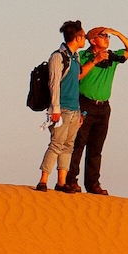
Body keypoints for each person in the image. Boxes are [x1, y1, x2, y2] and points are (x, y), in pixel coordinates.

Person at [65, 26, 128, 196]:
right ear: (92, 40)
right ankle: (70, 181)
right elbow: (77, 76)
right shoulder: (82, 56)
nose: (107, 39)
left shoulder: (112, 56)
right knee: (78, 144)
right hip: (84, 104)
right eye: (103, 36)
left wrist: (118, 33)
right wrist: (95, 60)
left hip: (103, 107)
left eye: (108, 36)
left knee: (96, 148)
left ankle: (93, 183)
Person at [38, 21, 87, 193]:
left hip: (74, 109)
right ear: (77, 37)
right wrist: (55, 109)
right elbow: (54, 84)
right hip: (62, 109)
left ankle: (61, 182)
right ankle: (43, 180)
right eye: (84, 36)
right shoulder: (58, 57)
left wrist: (81, 112)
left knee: (68, 146)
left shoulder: (76, 57)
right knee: (56, 144)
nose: (85, 39)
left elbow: (76, 83)